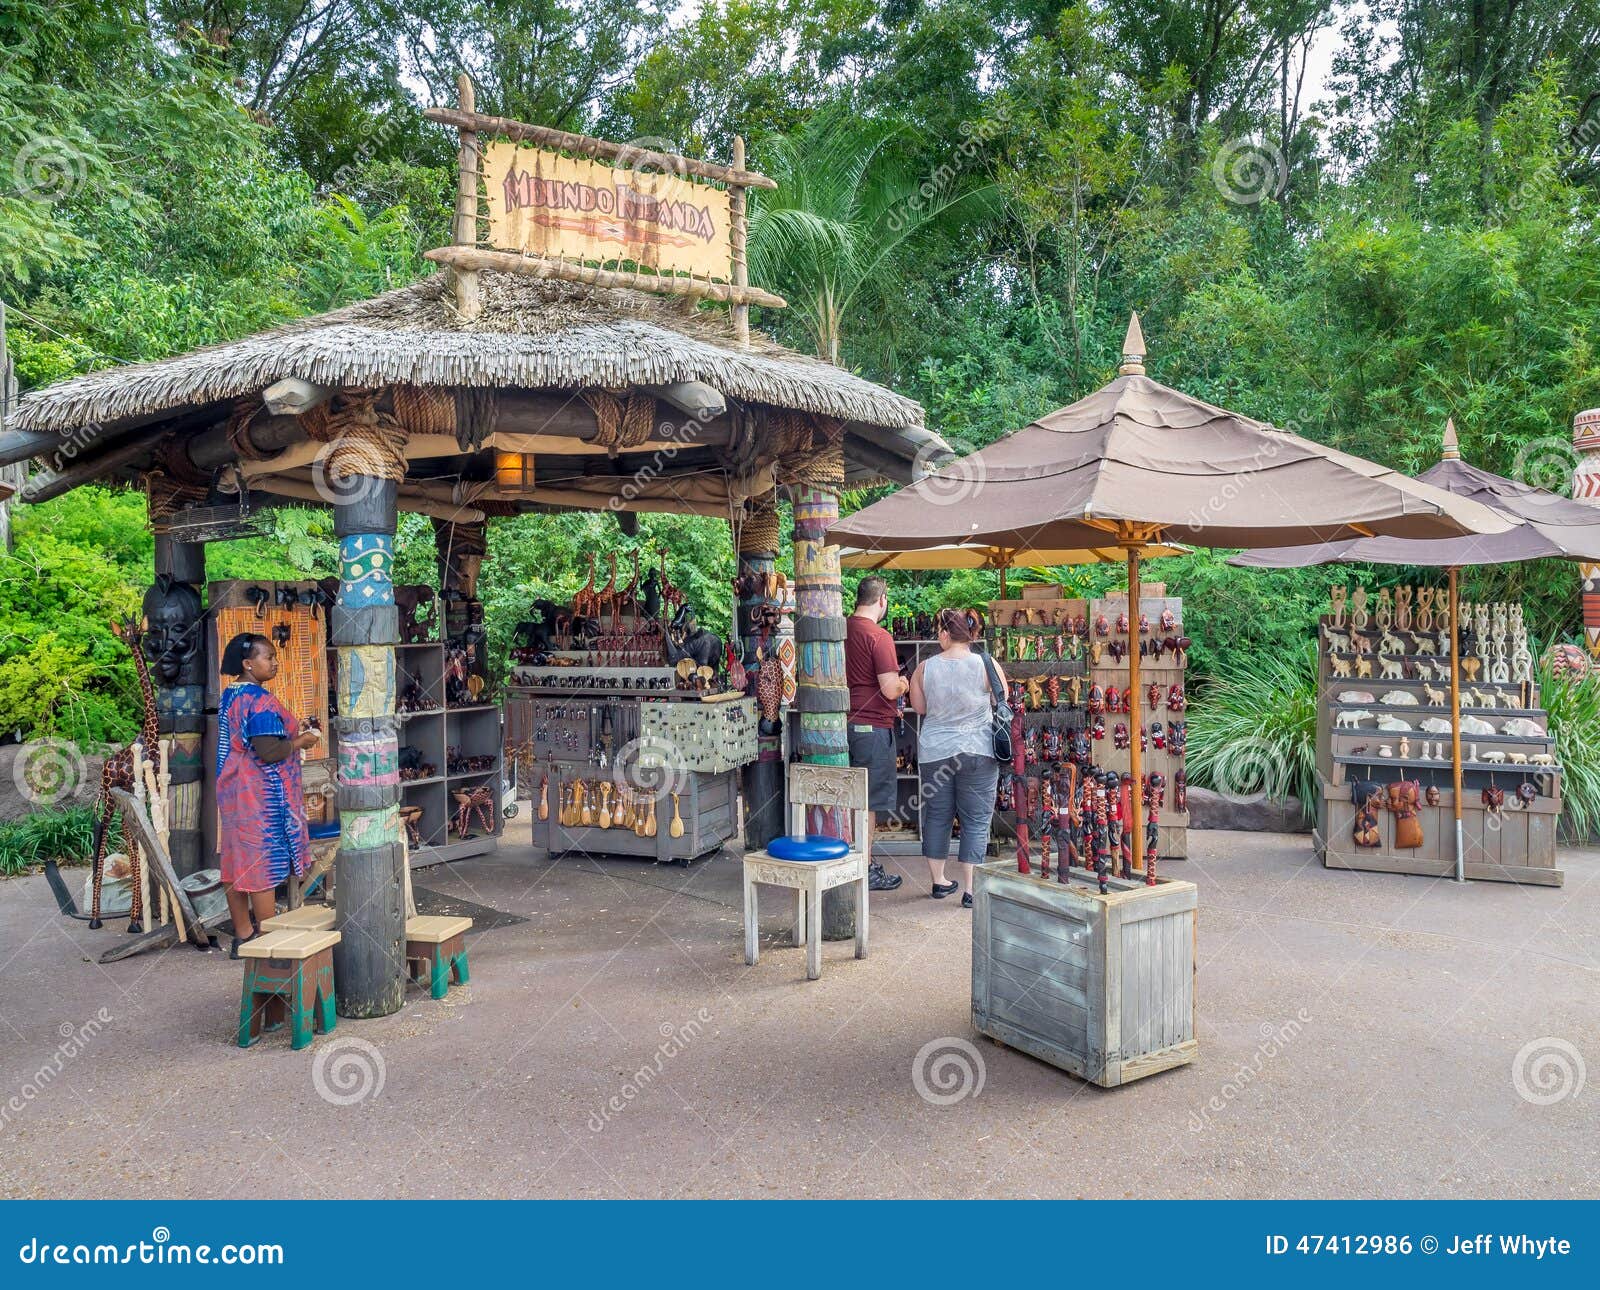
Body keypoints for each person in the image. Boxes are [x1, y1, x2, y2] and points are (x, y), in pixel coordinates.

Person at [216, 632, 321, 956]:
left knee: (236, 862)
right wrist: (301, 741)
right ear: (248, 664)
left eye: (275, 657)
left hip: (234, 789)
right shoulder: (259, 701)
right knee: (262, 867)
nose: (275, 663)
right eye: (268, 658)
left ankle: (243, 936)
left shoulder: (231, 695)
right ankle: (268, 941)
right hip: (261, 795)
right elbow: (269, 751)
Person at [907, 608, 1003, 908]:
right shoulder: (986, 663)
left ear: (946, 634)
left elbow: (920, 708)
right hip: (977, 750)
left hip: (935, 751)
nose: (938, 637)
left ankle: (939, 881)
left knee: (937, 815)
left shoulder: (924, 668)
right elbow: (1004, 697)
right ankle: (971, 889)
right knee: (975, 819)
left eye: (939, 632)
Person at [844, 576, 906, 891]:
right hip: (872, 727)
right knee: (867, 803)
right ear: (881, 600)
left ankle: (847, 862)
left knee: (845, 797)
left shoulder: (840, 630)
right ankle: (865, 867)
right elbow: (890, 688)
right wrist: (906, 682)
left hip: (841, 725)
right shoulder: (878, 636)